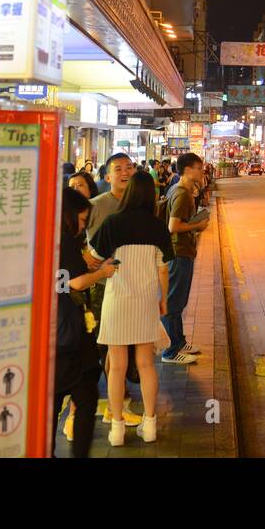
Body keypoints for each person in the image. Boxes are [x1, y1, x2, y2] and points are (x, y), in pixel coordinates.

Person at [89, 171, 173, 446]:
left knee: (116, 368)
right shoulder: (158, 227)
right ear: (151, 195)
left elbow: (93, 258)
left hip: (117, 301)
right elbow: (163, 269)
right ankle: (150, 425)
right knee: (147, 364)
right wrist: (163, 300)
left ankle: (117, 430)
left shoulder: (113, 223)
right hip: (146, 301)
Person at [53, 187, 116, 457]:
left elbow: (64, 276)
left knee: (53, 403)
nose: (82, 227)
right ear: (69, 215)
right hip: (71, 335)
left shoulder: (49, 237)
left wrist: (85, 265)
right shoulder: (65, 240)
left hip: (54, 334)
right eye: (80, 220)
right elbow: (73, 283)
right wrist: (102, 272)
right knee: (87, 399)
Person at [161, 152, 209, 364]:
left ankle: (179, 342)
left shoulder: (183, 190)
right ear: (188, 170)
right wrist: (197, 225)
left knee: (179, 302)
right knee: (173, 303)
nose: (202, 171)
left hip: (183, 252)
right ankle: (171, 351)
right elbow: (173, 226)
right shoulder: (181, 193)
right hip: (178, 253)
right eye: (199, 168)